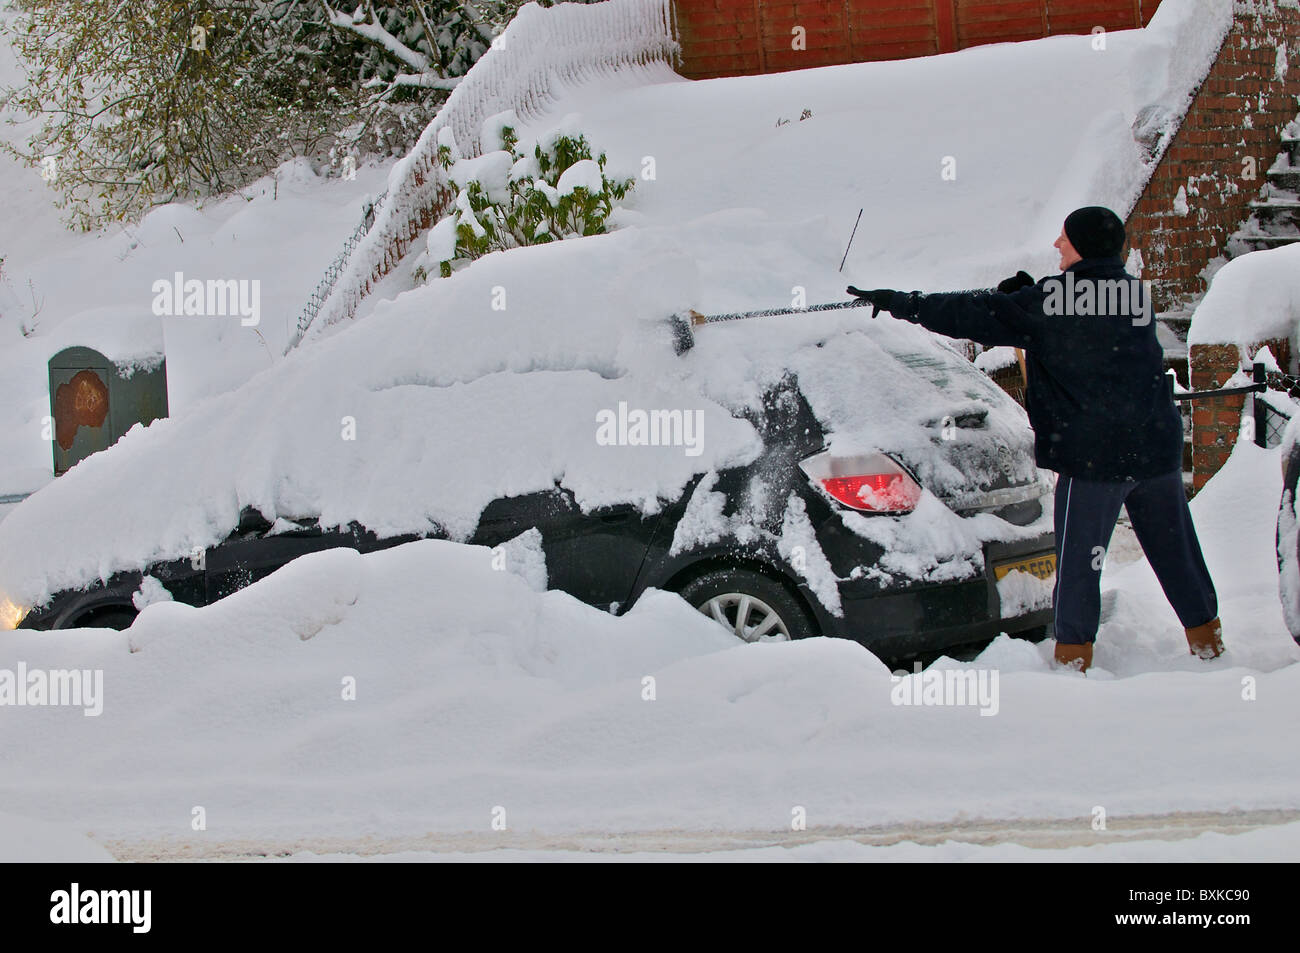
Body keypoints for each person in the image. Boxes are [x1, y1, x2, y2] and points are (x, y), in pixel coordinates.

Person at [847, 206, 1223, 673]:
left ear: (1082, 244)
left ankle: (1073, 661)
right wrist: (1027, 298)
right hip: (1154, 448)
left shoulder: (1050, 302)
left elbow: (975, 313)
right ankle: (1209, 645)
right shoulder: (1132, 294)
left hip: (1094, 460)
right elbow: (1081, 321)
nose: (1056, 244)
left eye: (1064, 237)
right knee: (1176, 550)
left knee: (1079, 566)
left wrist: (907, 303)